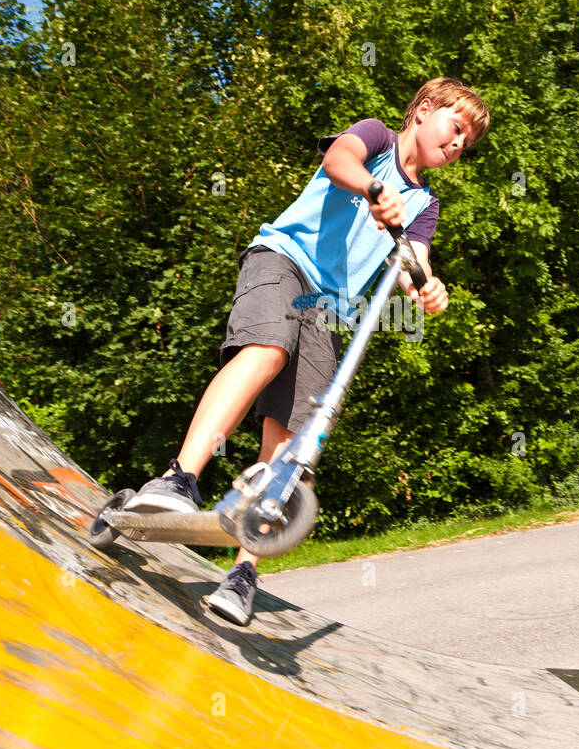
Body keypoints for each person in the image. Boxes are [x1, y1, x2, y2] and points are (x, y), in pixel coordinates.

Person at [125, 76, 490, 624]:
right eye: (456, 127)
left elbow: (413, 262)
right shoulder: (377, 139)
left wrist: (427, 287)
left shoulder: (426, 204)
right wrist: (372, 189)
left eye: (468, 143)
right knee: (268, 350)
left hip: (329, 310)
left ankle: (244, 572)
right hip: (283, 261)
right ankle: (178, 477)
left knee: (297, 439)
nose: (459, 144)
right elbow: (340, 161)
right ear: (423, 110)